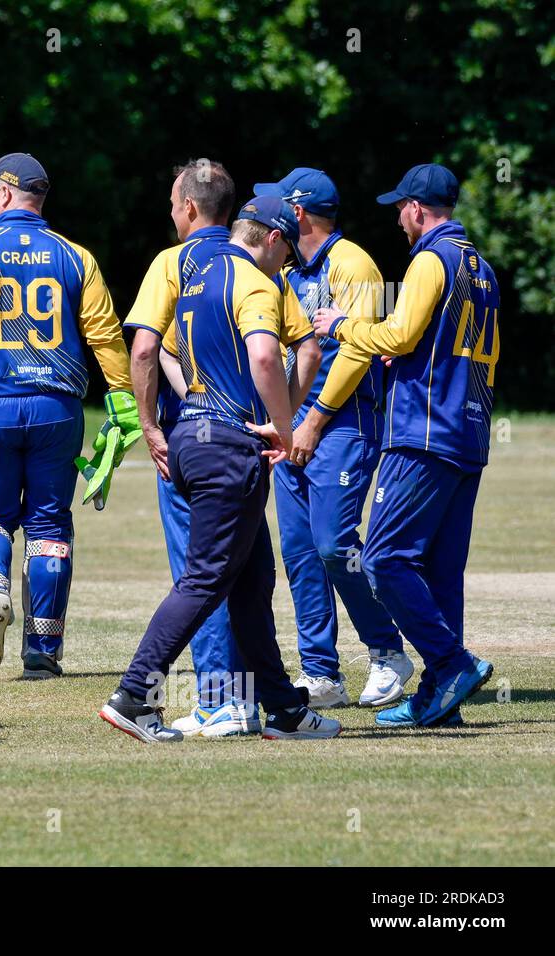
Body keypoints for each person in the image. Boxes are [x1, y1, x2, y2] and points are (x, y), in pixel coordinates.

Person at [100, 197, 338, 743]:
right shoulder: (255, 280)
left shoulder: (188, 272)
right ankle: (134, 695)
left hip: (190, 433)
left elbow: (146, 349)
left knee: (252, 581)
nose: (285, 268)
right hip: (229, 447)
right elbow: (271, 356)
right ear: (275, 240)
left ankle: (281, 710)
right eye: (286, 256)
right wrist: (283, 423)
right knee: (206, 577)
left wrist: (153, 424)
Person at [0, 152, 140, 679]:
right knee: (48, 526)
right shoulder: (75, 256)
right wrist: (125, 397)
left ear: (5, 193)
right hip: (57, 409)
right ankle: (42, 652)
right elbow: (105, 335)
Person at [312, 163, 498, 728]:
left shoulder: (429, 259)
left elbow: (397, 333)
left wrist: (340, 325)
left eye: (400, 208)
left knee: (384, 559)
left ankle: (451, 663)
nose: (398, 218)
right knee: (440, 572)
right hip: (469, 434)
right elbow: (440, 343)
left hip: (422, 435)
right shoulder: (481, 267)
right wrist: (409, 354)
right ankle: (444, 702)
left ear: (418, 209)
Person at [255, 167, 411, 709]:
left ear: (297, 212)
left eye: (277, 205)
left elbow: (359, 350)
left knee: (333, 543)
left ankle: (388, 651)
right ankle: (322, 674)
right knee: (300, 551)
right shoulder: (286, 271)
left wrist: (313, 421)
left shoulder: (354, 264)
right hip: (294, 426)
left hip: (341, 424)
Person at [122, 159, 253, 735]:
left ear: (191, 208)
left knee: (198, 572)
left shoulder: (172, 263)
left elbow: (149, 349)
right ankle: (248, 698)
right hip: (239, 437)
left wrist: (150, 425)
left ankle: (217, 697)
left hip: (187, 444)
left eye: (174, 203)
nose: (170, 212)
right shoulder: (246, 265)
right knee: (242, 570)